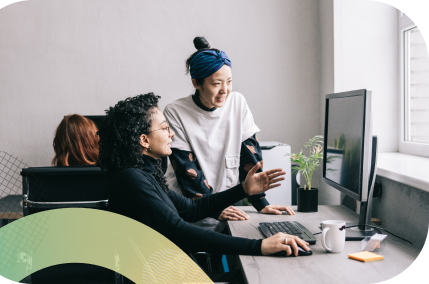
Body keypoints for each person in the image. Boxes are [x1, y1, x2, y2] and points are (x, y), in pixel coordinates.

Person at [98, 93, 310, 283]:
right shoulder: (131, 180)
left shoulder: (146, 175)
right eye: (164, 128)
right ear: (144, 140)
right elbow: (178, 232)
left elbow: (191, 208)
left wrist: (243, 190)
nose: (171, 134)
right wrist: (259, 246)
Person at [163, 37, 294, 230]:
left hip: (226, 209)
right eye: (216, 83)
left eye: (229, 81)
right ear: (196, 83)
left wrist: (261, 204)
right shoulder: (175, 112)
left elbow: (250, 156)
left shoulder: (237, 102)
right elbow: (186, 170)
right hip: (190, 211)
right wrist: (213, 209)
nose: (225, 90)